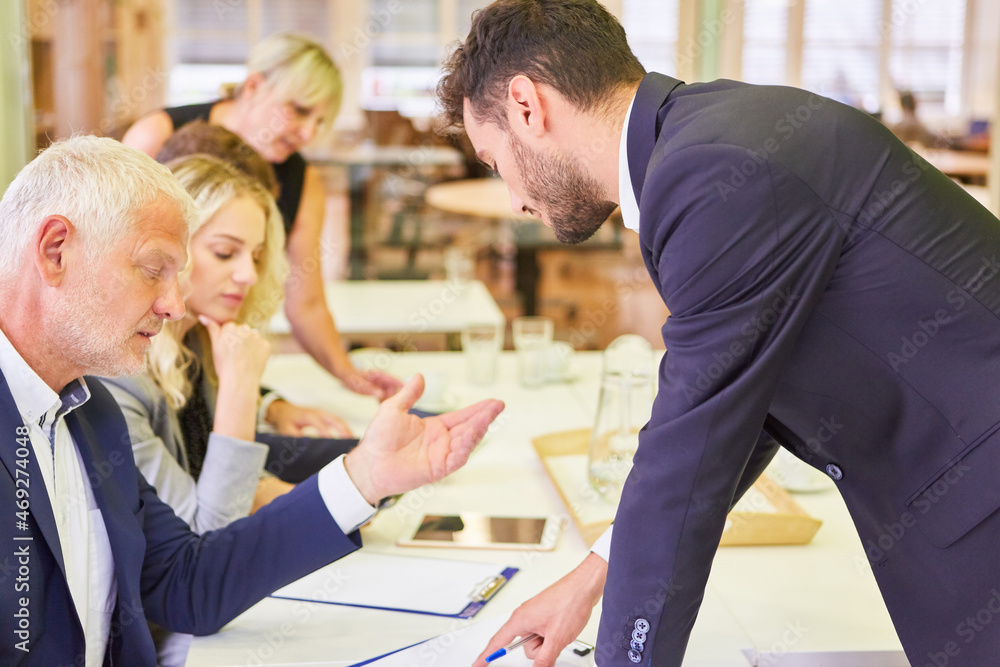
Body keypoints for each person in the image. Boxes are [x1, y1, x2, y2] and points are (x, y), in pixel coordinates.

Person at [435, 2, 1000, 666]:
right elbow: (736, 402)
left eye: (496, 163)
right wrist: (591, 579)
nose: (515, 203)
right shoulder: (704, 140)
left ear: (527, 107)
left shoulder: (708, 178)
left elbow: (687, 452)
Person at [0, 135, 504, 665]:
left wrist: (364, 477)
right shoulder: (99, 401)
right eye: (153, 269)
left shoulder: (88, 409)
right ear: (56, 250)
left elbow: (185, 581)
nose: (175, 304)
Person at [121, 32, 403, 401]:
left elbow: (307, 303)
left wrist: (349, 376)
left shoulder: (304, 184)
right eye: (300, 110)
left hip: (213, 367)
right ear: (253, 86)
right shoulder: (156, 137)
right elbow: (115, 258)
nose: (306, 133)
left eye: (319, 122)